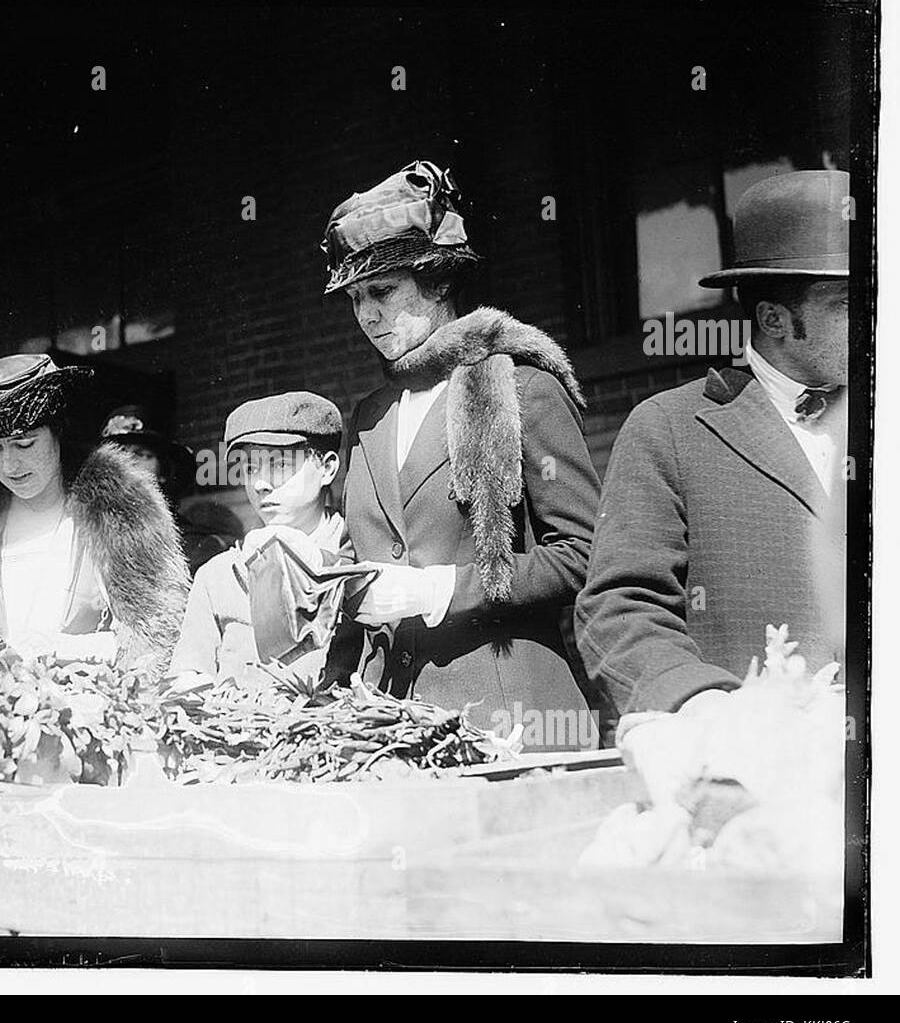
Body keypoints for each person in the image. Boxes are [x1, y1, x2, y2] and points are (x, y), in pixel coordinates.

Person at [318, 160, 602, 750]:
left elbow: (584, 555)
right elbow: (363, 557)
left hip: (507, 719)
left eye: (382, 291)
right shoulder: (370, 415)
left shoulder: (520, 387)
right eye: (354, 298)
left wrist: (440, 592)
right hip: (387, 726)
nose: (366, 315)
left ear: (440, 281)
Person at [575, 170, 850, 719]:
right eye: (848, 303)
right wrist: (702, 705)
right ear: (774, 318)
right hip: (760, 766)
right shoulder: (668, 429)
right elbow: (621, 609)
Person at [0, 353, 189, 670]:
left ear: (58, 432)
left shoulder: (120, 512)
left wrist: (73, 650)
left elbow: (159, 635)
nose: (10, 465)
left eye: (25, 444)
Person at [169, 392, 351, 687]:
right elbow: (188, 679)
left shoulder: (361, 562)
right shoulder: (217, 577)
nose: (259, 484)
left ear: (327, 468)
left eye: (279, 465)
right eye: (250, 468)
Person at [98, 403, 233, 574]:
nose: (125, 463)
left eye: (140, 454)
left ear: (163, 472)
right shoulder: (79, 535)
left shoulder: (193, 547)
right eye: (116, 454)